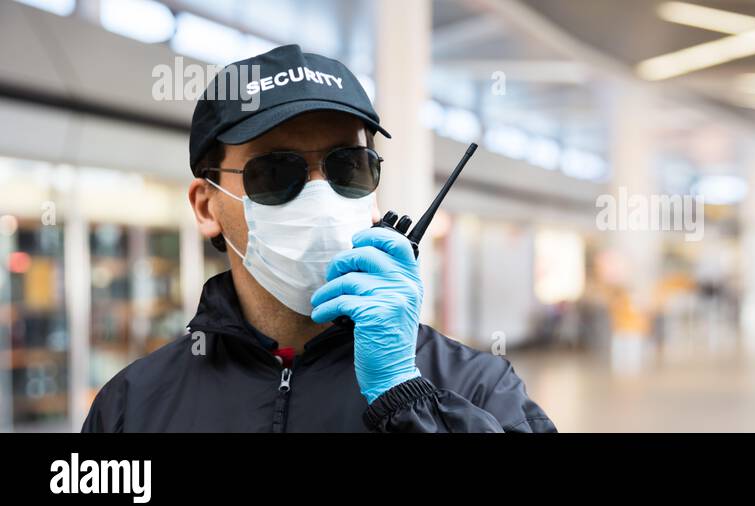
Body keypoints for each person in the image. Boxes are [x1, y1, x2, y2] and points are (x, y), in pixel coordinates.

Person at [81, 45, 555, 433]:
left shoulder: (478, 388)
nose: (321, 197)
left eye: (348, 166)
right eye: (275, 171)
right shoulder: (132, 408)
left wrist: (406, 398)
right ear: (207, 207)